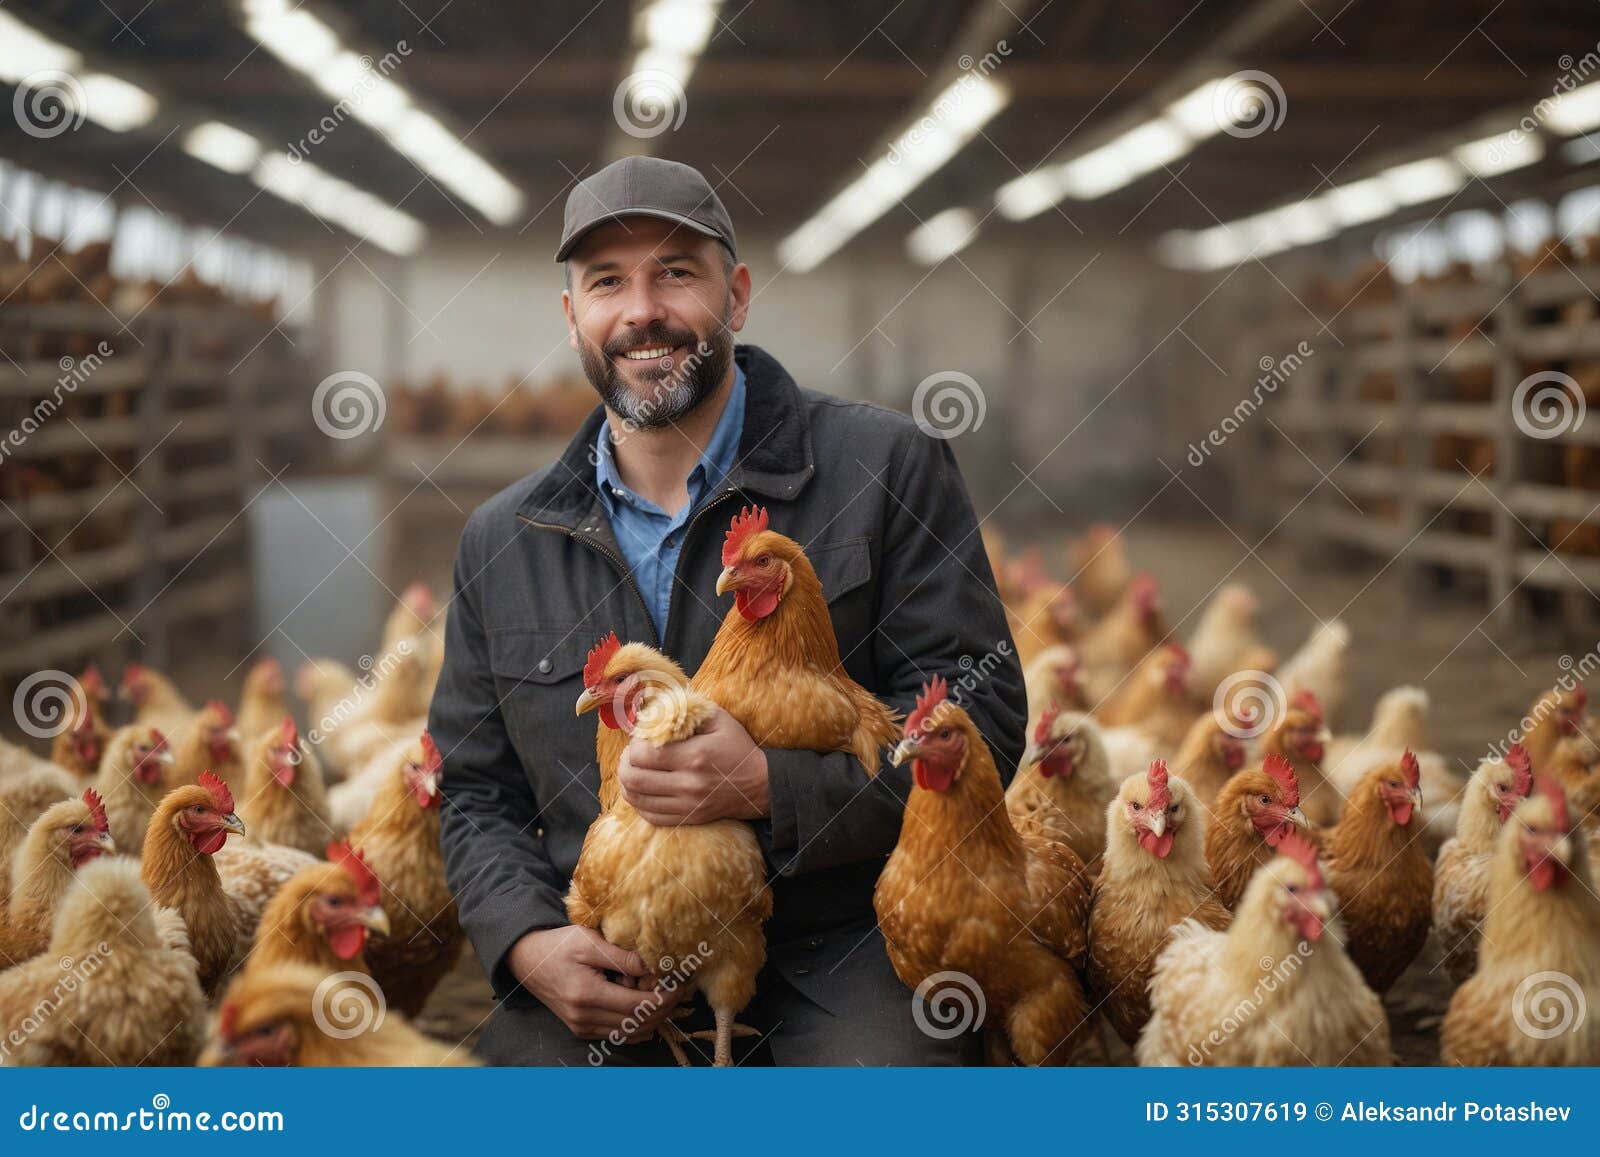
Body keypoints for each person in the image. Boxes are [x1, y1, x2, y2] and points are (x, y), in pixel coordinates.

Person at [430, 155, 1024, 1064]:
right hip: (607, 947)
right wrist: (527, 943)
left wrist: (775, 788)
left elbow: (982, 717)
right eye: (606, 283)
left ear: (736, 296)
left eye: (676, 272)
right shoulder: (500, 539)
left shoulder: (887, 467)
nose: (642, 311)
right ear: (573, 317)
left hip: (834, 943)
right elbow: (475, 789)